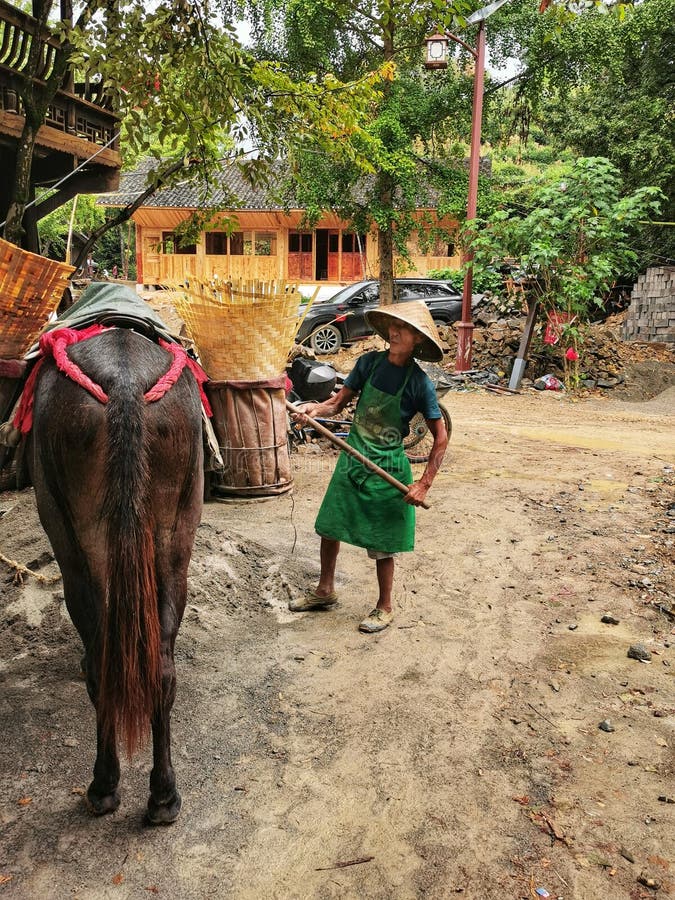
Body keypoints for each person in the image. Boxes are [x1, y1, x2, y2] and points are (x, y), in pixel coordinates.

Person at [290, 300, 449, 633]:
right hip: (353, 458)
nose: (394, 331)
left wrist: (424, 483)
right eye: (392, 325)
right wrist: (313, 410)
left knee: (382, 541)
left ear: (417, 339)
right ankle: (325, 590)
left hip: (388, 467)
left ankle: (384, 606)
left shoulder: (419, 384)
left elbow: (441, 438)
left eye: (403, 328)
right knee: (330, 527)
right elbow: (336, 403)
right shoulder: (369, 364)